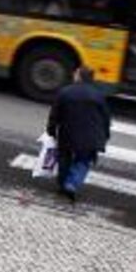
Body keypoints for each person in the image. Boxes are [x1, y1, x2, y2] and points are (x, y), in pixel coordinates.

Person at [46, 65, 111, 202]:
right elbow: (106, 118)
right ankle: (72, 184)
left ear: (79, 76)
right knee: (83, 161)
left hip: (67, 133)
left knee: (64, 158)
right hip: (91, 136)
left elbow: (55, 114)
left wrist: (51, 130)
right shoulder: (99, 95)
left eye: (75, 73)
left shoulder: (65, 92)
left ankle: (62, 184)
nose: (73, 75)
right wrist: (105, 135)